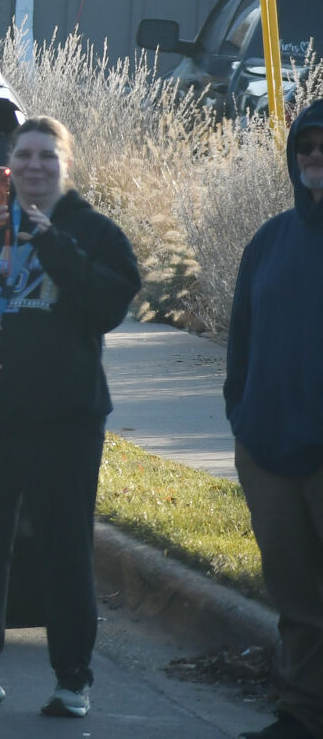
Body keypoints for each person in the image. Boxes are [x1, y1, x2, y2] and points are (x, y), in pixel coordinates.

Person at [0, 116, 140, 718]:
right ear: (8, 166)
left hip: (63, 421)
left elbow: (104, 305)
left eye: (47, 156)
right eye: (23, 157)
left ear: (66, 164)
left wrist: (48, 239)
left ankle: (73, 677)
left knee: (64, 548)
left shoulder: (94, 232)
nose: (34, 167)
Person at [226, 101, 323, 739]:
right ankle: (301, 713)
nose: (314, 157)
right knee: (297, 600)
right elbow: (240, 342)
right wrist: (243, 420)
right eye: (305, 147)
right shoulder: (269, 241)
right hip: (268, 454)